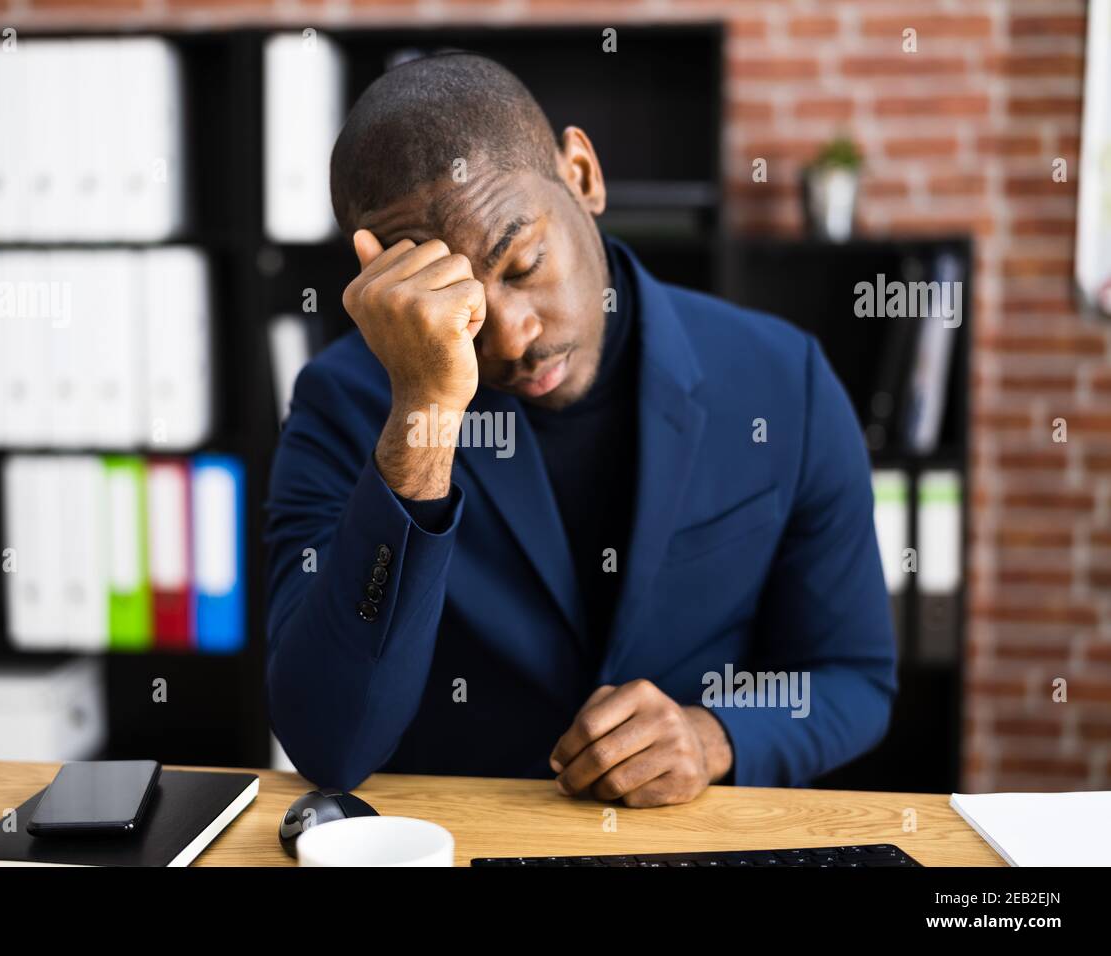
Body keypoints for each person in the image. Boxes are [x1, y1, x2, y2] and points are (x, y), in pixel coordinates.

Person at [264, 53, 896, 806]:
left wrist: (713, 735)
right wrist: (423, 421)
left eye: (524, 264)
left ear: (583, 175)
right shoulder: (342, 403)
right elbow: (329, 741)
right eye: (458, 306)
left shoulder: (780, 379)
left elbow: (853, 677)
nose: (509, 338)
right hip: (462, 849)